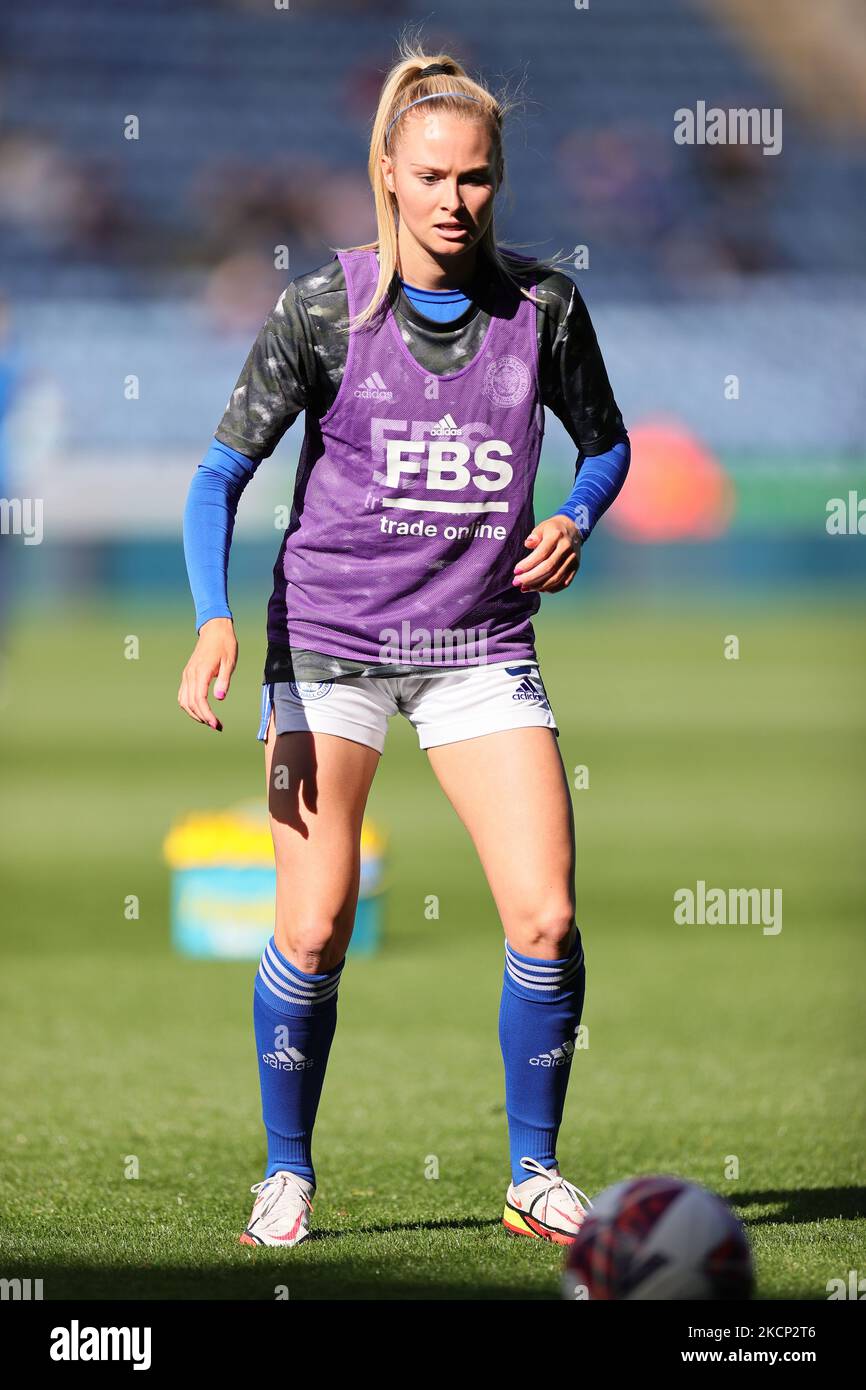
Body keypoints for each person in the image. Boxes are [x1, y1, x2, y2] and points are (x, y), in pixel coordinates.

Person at [179, 41, 630, 1248]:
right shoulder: (321, 307)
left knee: (543, 917)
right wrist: (214, 617)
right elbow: (218, 475)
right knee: (313, 926)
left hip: (480, 645)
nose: (452, 198)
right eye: (429, 175)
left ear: (496, 181)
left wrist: (574, 516)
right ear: (387, 172)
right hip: (323, 647)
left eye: (474, 178)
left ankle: (531, 1172)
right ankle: (287, 1173)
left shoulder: (544, 308)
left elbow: (604, 444)